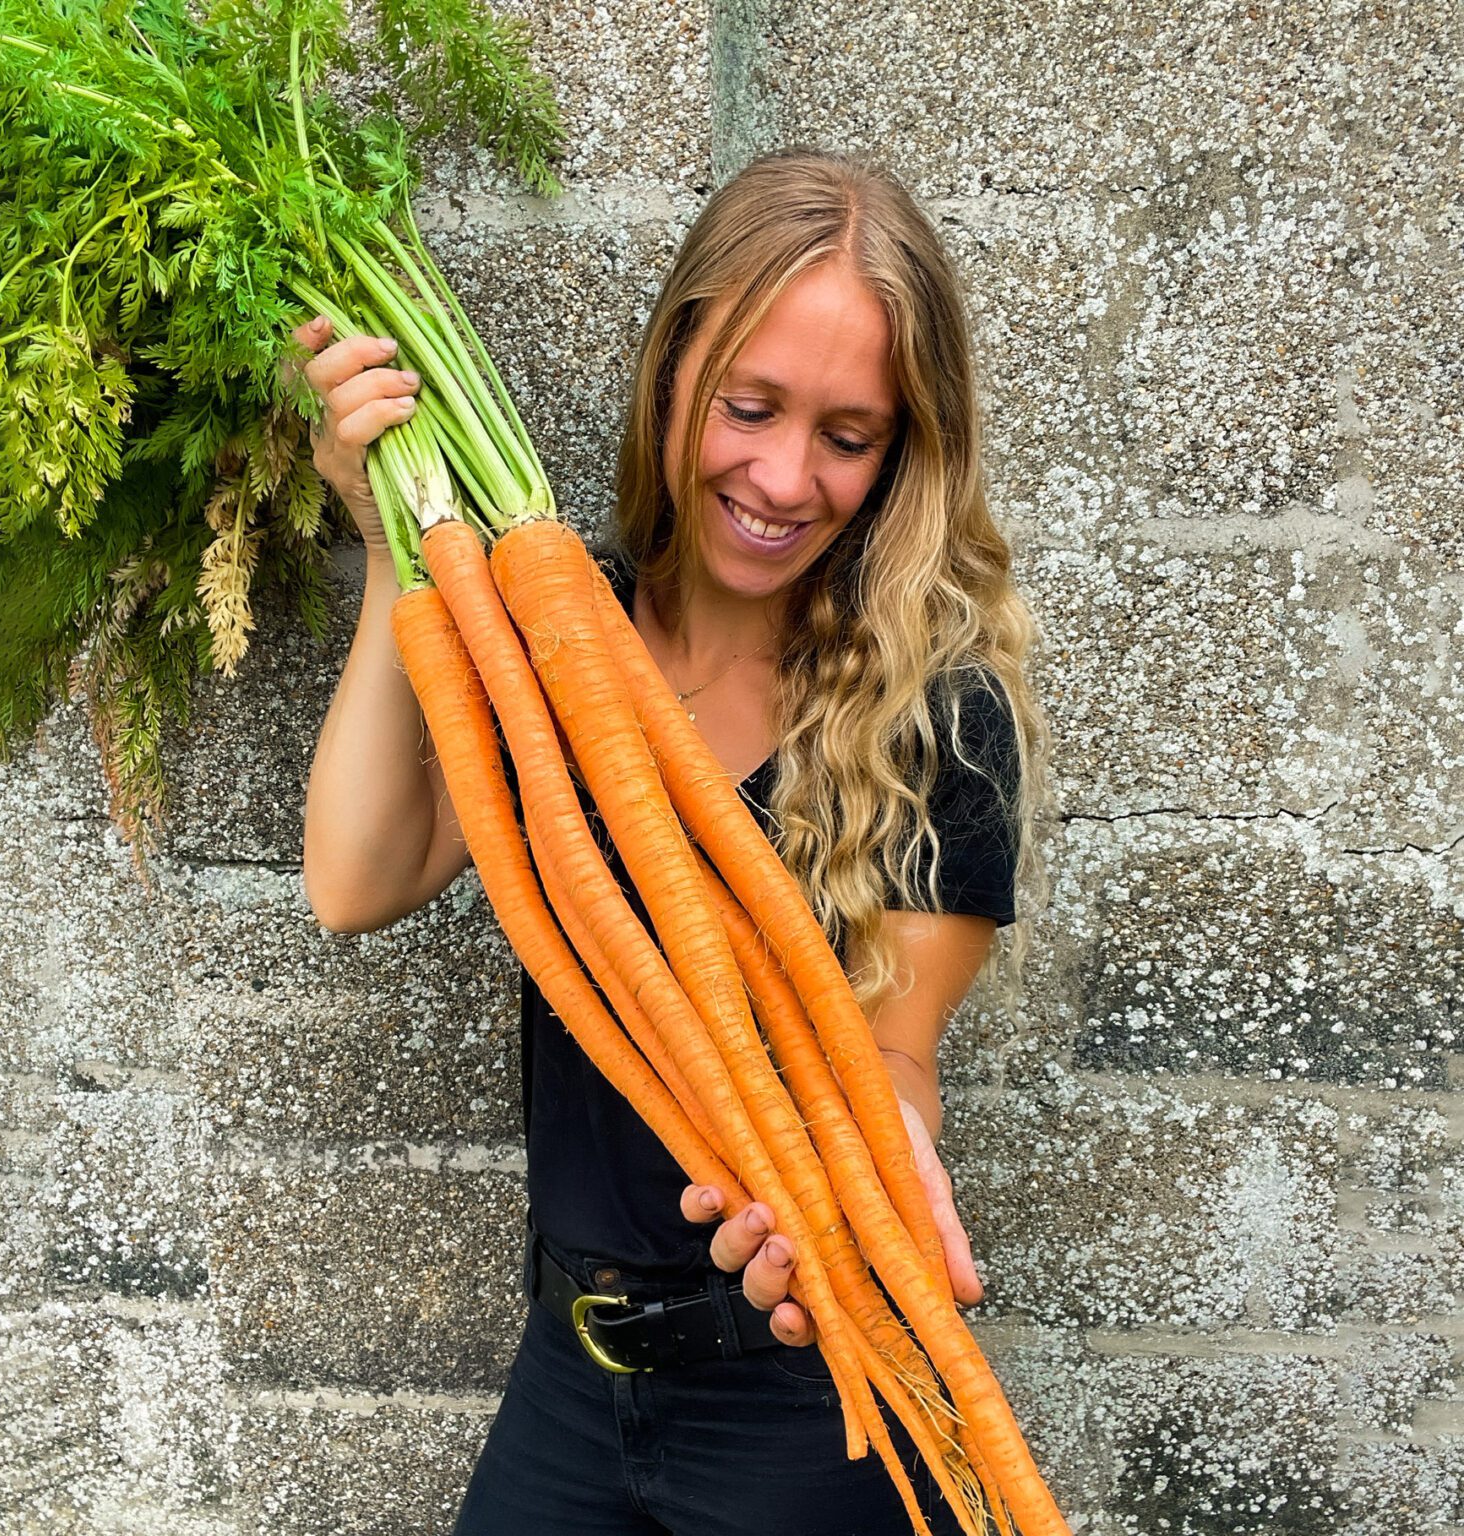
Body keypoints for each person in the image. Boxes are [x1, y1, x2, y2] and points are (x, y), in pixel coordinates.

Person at [294, 149, 1048, 1535]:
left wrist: (866, 1160)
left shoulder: (939, 712)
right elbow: (357, 877)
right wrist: (404, 558)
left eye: (847, 433)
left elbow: (891, 1046)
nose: (782, 476)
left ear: (904, 449)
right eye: (748, 407)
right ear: (672, 373)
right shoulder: (553, 628)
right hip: (571, 1389)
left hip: (813, 1399)